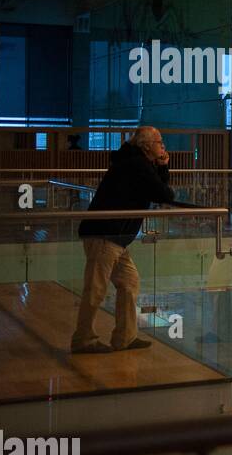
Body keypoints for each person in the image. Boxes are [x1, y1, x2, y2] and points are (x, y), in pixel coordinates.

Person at [71, 126, 173, 353]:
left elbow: (158, 191)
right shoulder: (137, 165)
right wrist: (164, 168)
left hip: (116, 237)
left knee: (129, 282)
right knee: (95, 289)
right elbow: (164, 194)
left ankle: (125, 337)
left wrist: (161, 168)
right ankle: (83, 339)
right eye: (159, 141)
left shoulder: (135, 162)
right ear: (146, 146)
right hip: (106, 235)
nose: (163, 145)